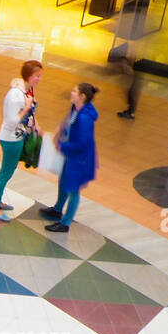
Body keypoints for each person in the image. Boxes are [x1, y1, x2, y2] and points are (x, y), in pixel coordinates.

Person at [39, 82, 99, 234]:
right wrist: (60, 129)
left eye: (74, 91)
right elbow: (68, 121)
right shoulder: (76, 108)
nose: (71, 93)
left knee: (73, 189)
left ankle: (65, 223)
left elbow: (82, 143)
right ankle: (58, 208)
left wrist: (62, 146)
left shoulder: (84, 118)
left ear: (82, 96)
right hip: (72, 155)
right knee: (64, 180)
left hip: (80, 158)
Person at [0, 60, 42, 223]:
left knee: (7, 172)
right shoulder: (16, 96)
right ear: (29, 76)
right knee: (6, 173)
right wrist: (26, 107)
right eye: (37, 76)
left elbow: (31, 113)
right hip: (11, 139)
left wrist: (36, 125)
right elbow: (12, 122)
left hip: (18, 137)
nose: (40, 79)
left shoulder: (27, 91)